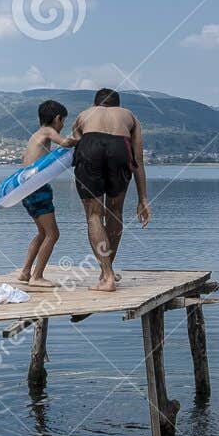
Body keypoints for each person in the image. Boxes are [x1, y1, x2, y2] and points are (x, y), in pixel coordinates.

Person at [71, 88, 150, 292]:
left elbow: (77, 142)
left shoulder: (84, 115)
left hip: (90, 145)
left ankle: (107, 275)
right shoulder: (129, 116)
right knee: (115, 212)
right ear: (118, 105)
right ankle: (108, 274)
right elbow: (138, 160)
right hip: (120, 147)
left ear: (95, 104)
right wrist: (143, 199)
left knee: (94, 215)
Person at [16, 99, 77, 288]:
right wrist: (81, 138)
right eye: (63, 121)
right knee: (53, 234)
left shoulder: (35, 135)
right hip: (38, 189)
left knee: (42, 232)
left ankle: (25, 272)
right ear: (57, 118)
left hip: (25, 189)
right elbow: (65, 143)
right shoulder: (47, 131)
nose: (63, 125)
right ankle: (37, 277)